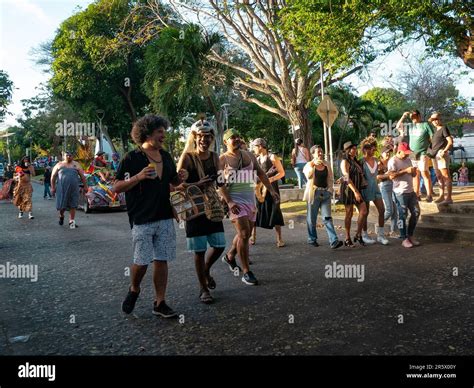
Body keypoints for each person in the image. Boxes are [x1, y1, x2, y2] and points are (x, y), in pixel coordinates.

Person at [113, 114, 186, 318]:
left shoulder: (167, 156)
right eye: (160, 131)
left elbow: (173, 184)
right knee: (142, 260)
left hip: (164, 215)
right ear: (147, 132)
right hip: (142, 218)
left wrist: (180, 178)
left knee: (162, 259)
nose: (164, 135)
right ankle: (134, 288)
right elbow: (116, 187)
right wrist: (139, 176)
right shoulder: (132, 158)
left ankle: (160, 302)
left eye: (164, 131)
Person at [219, 128, 279, 286]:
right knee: (245, 234)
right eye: (233, 138)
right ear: (225, 142)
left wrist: (271, 191)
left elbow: (261, 174)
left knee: (244, 234)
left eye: (238, 136)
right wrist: (230, 202)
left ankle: (230, 256)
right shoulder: (222, 159)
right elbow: (219, 184)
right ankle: (246, 272)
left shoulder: (249, 155)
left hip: (250, 201)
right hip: (235, 202)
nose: (237, 139)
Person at [176, 120, 226, 304]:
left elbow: (220, 181)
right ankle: (203, 288)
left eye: (208, 137)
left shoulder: (215, 157)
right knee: (199, 250)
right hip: (194, 207)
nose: (205, 140)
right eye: (201, 137)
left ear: (212, 138)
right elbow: (176, 185)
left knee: (219, 245)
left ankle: (205, 271)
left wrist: (226, 185)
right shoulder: (187, 158)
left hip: (212, 206)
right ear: (195, 138)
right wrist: (197, 184)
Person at [303, 145, 343, 249]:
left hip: (325, 193)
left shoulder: (327, 164)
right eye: (318, 152)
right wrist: (312, 165)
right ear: (313, 154)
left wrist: (330, 190)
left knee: (327, 218)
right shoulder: (308, 165)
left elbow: (330, 178)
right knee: (311, 218)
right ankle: (312, 239)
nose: (321, 153)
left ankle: (333, 240)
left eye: (321, 151)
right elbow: (308, 176)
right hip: (314, 193)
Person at [251, 138, 286, 247]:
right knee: (256, 211)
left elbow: (282, 173)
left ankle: (279, 238)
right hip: (259, 190)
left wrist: (270, 180)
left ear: (260, 146)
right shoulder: (256, 159)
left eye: (254, 147)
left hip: (272, 189)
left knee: (275, 211)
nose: (253, 149)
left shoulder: (272, 157)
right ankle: (253, 236)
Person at [396, 110, 434, 202]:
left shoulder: (425, 125)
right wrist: (403, 116)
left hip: (423, 153)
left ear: (419, 115)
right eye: (411, 117)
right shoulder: (410, 126)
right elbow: (398, 127)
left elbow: (432, 138)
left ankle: (429, 195)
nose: (413, 118)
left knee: (424, 173)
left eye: (415, 116)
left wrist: (430, 151)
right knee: (415, 174)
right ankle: (417, 194)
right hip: (412, 153)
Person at [388, 142, 420, 248]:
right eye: (405, 153)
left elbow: (413, 174)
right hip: (400, 192)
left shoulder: (408, 159)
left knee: (416, 212)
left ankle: (410, 235)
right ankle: (403, 237)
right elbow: (391, 176)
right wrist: (406, 170)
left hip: (410, 191)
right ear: (399, 151)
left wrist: (414, 171)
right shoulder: (393, 161)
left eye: (408, 153)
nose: (407, 155)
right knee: (402, 215)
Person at [339, 141, 368, 247]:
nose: (355, 150)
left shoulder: (356, 161)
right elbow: (346, 177)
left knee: (364, 211)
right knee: (349, 213)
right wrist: (355, 191)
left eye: (356, 148)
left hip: (358, 188)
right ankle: (347, 238)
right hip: (348, 189)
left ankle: (358, 234)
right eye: (352, 148)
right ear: (347, 150)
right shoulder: (345, 161)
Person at [360, 137, 389, 245]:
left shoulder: (377, 161)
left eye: (375, 149)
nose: (374, 151)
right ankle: (365, 235)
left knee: (382, 210)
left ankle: (380, 236)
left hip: (376, 189)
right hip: (365, 190)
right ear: (366, 149)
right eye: (372, 149)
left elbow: (380, 172)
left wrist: (387, 173)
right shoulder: (361, 162)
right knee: (365, 213)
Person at [51, 151, 88, 228]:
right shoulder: (59, 165)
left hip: (74, 189)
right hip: (62, 189)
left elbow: (83, 177)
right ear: (64, 156)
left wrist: (85, 186)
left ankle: (71, 221)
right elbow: (53, 177)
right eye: (67, 155)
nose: (69, 156)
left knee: (73, 204)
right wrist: (53, 187)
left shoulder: (76, 165)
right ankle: (61, 216)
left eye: (70, 155)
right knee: (62, 206)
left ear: (72, 156)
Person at [427, 112, 454, 205]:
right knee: (439, 176)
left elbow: (450, 141)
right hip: (434, 156)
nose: (435, 121)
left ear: (440, 119)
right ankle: (441, 196)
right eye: (433, 120)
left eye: (436, 119)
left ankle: (449, 198)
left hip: (440, 155)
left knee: (446, 176)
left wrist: (444, 151)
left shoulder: (443, 128)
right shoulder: (435, 131)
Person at [377, 145, 399, 237]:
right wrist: (388, 175)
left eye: (389, 152)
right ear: (382, 154)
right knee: (389, 210)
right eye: (386, 152)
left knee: (395, 210)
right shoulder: (379, 164)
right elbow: (377, 177)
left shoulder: (390, 162)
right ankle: (379, 225)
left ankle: (393, 231)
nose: (388, 154)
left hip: (393, 186)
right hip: (384, 187)